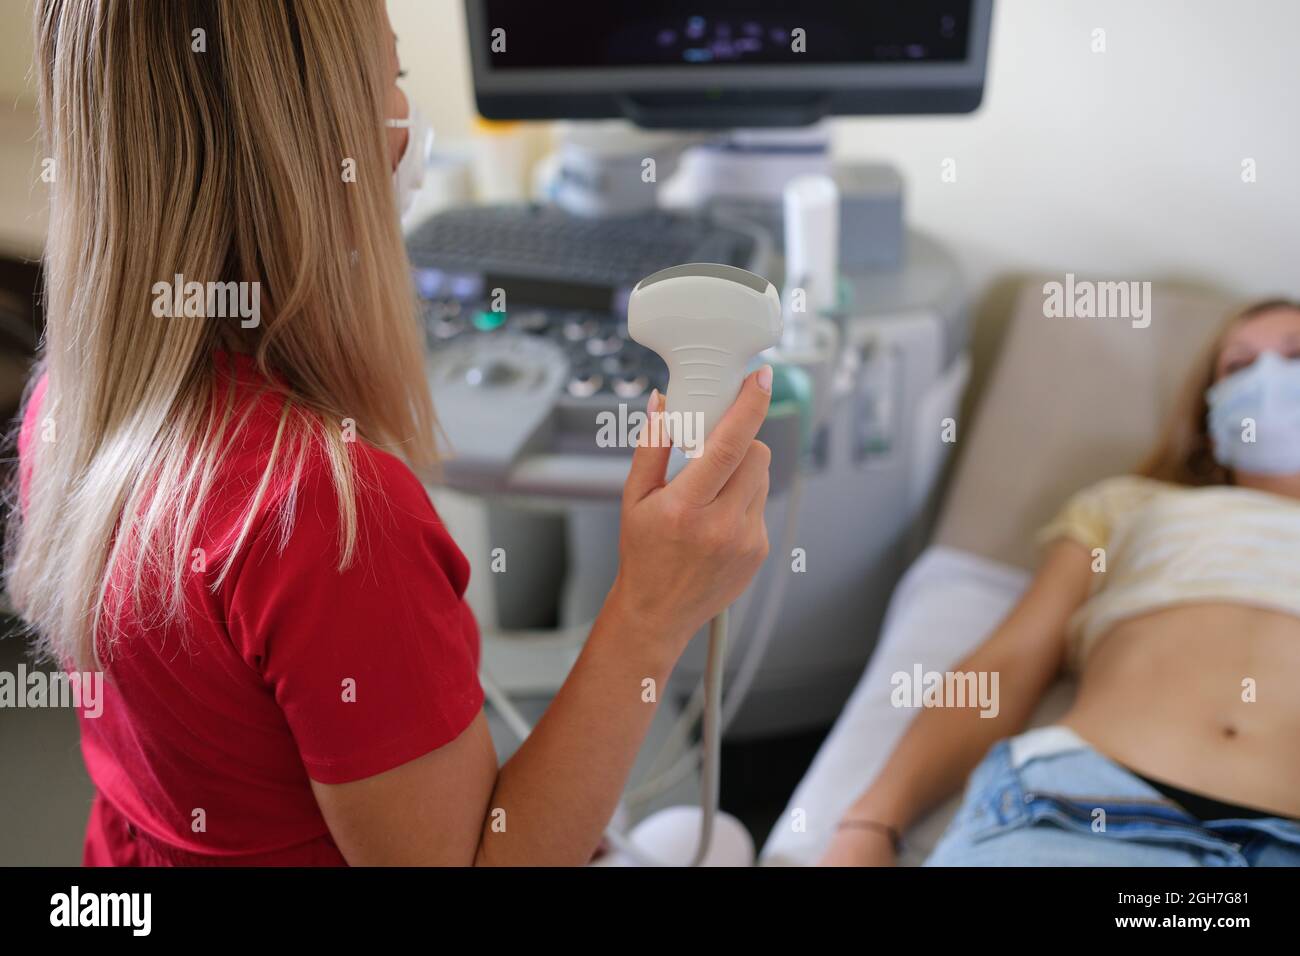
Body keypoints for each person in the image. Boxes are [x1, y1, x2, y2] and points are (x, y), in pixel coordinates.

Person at [8, 0, 772, 866]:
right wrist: (653, 610)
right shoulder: (322, 516)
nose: (410, 124)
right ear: (327, 144)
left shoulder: (69, 407)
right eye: (394, 80)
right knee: (713, 839)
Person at [820, 298, 1300, 867]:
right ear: (1207, 412)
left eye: (1295, 357)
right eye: (1239, 366)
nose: (1269, 380)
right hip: (1086, 810)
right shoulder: (1130, 506)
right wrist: (868, 825)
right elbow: (1011, 662)